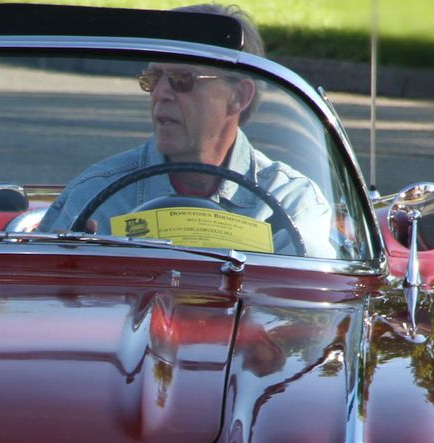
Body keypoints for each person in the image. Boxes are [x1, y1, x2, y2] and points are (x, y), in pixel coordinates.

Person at [38, 4, 333, 257]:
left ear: (238, 96)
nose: (161, 94)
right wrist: (72, 267)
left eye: (182, 79)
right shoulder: (96, 195)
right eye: (153, 78)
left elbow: (305, 312)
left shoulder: (291, 202)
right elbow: (52, 305)